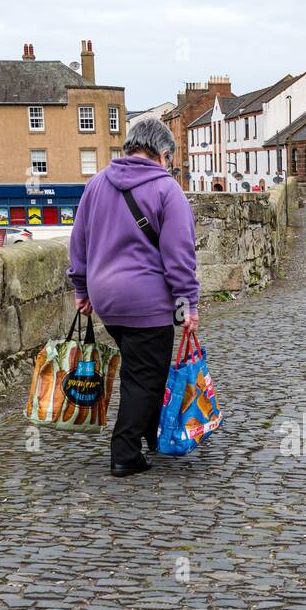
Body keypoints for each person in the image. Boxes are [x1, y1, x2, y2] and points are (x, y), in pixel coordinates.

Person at [68, 116, 199, 477]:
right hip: (147, 302)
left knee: (144, 368)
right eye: (169, 157)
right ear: (162, 153)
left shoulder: (96, 184)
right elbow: (179, 255)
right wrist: (187, 305)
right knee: (144, 377)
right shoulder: (166, 190)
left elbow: (78, 243)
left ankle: (154, 436)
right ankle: (125, 453)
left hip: (107, 300)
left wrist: (82, 289)